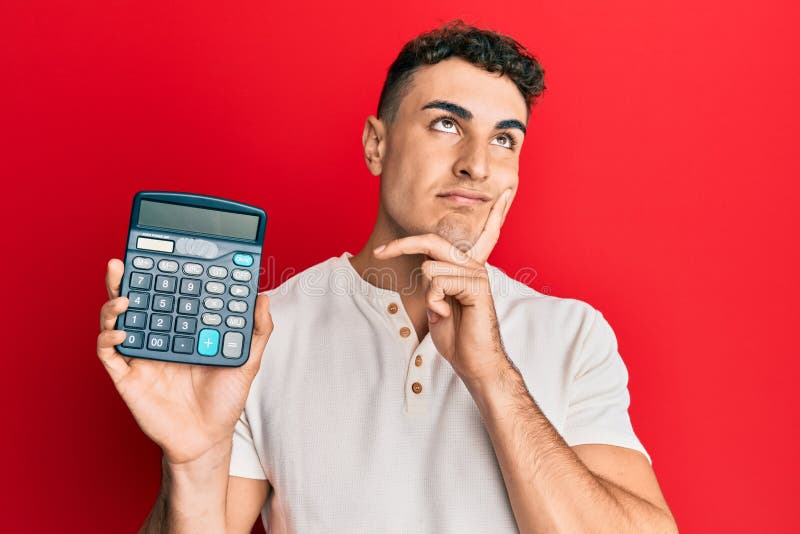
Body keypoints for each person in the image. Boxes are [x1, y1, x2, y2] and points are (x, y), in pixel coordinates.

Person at [97, 20, 678, 534]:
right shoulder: (261, 331)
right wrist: (193, 460)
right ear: (377, 144)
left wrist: (494, 376)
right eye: (447, 124)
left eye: (505, 138)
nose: (477, 163)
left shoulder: (574, 333)